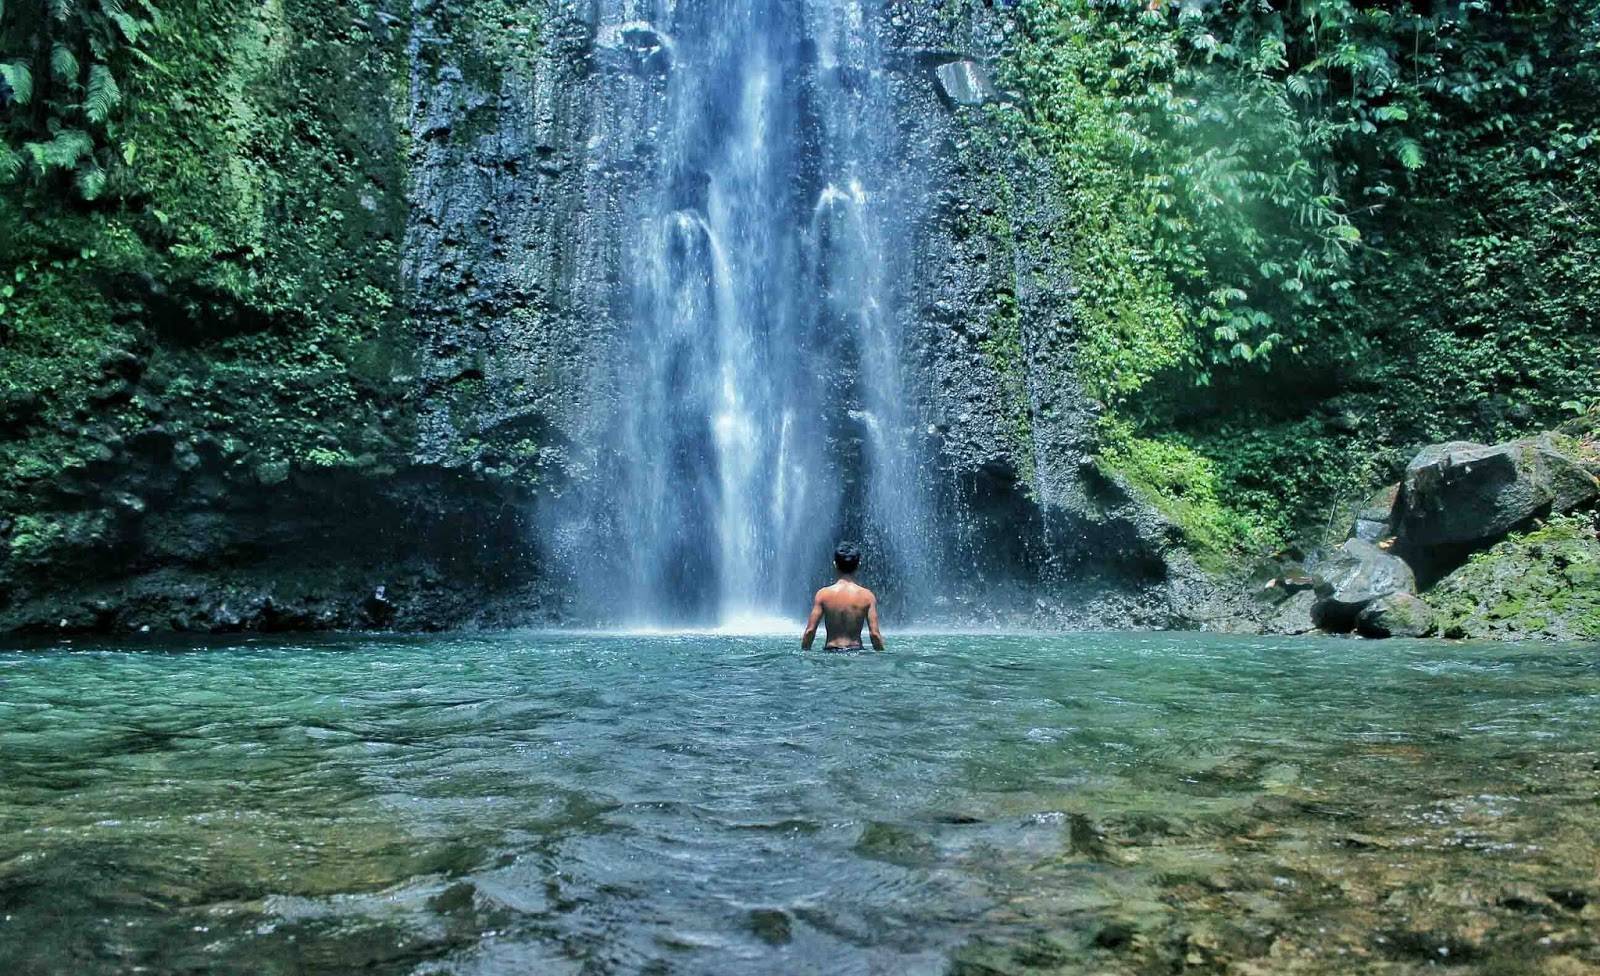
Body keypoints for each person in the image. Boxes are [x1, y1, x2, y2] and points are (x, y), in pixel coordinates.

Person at [800, 542, 885, 652]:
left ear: (835, 565)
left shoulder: (823, 595)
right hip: (856, 653)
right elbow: (874, 634)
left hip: (830, 652)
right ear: (858, 565)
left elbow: (810, 632)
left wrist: (804, 654)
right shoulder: (867, 596)